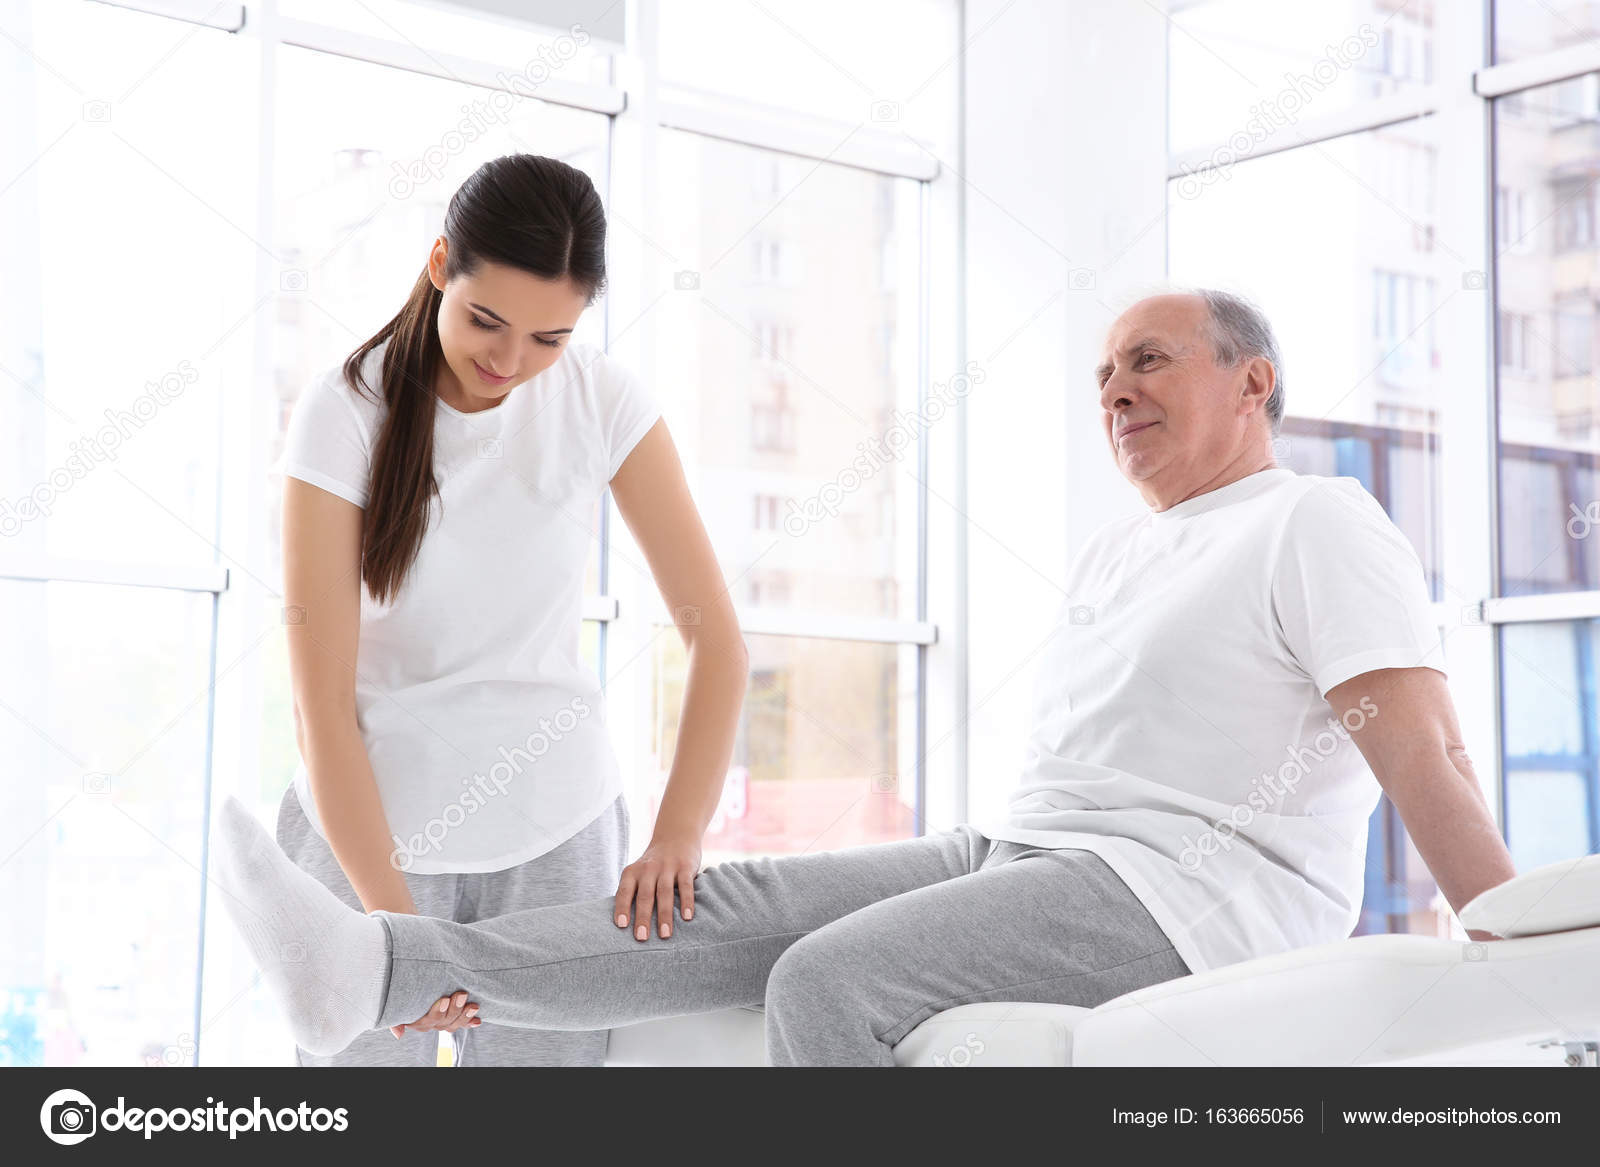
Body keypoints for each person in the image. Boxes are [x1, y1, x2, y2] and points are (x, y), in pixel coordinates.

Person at [220, 288, 1518, 1067]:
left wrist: (1520, 953)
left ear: (1256, 383)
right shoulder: (1130, 544)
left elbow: (1427, 751)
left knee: (824, 981)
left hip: (1190, 893)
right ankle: (373, 968)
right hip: (1034, 849)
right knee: (713, 902)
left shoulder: (1315, 521)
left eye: (1150, 360)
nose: (1114, 388)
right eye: (1103, 372)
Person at [270, 153, 747, 1066]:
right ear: (440, 263)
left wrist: (678, 832)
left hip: (556, 835)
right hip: (369, 838)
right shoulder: (343, 410)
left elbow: (718, 643)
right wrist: (394, 927)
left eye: (548, 338)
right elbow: (319, 707)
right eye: (487, 320)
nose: (509, 361)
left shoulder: (603, 398)